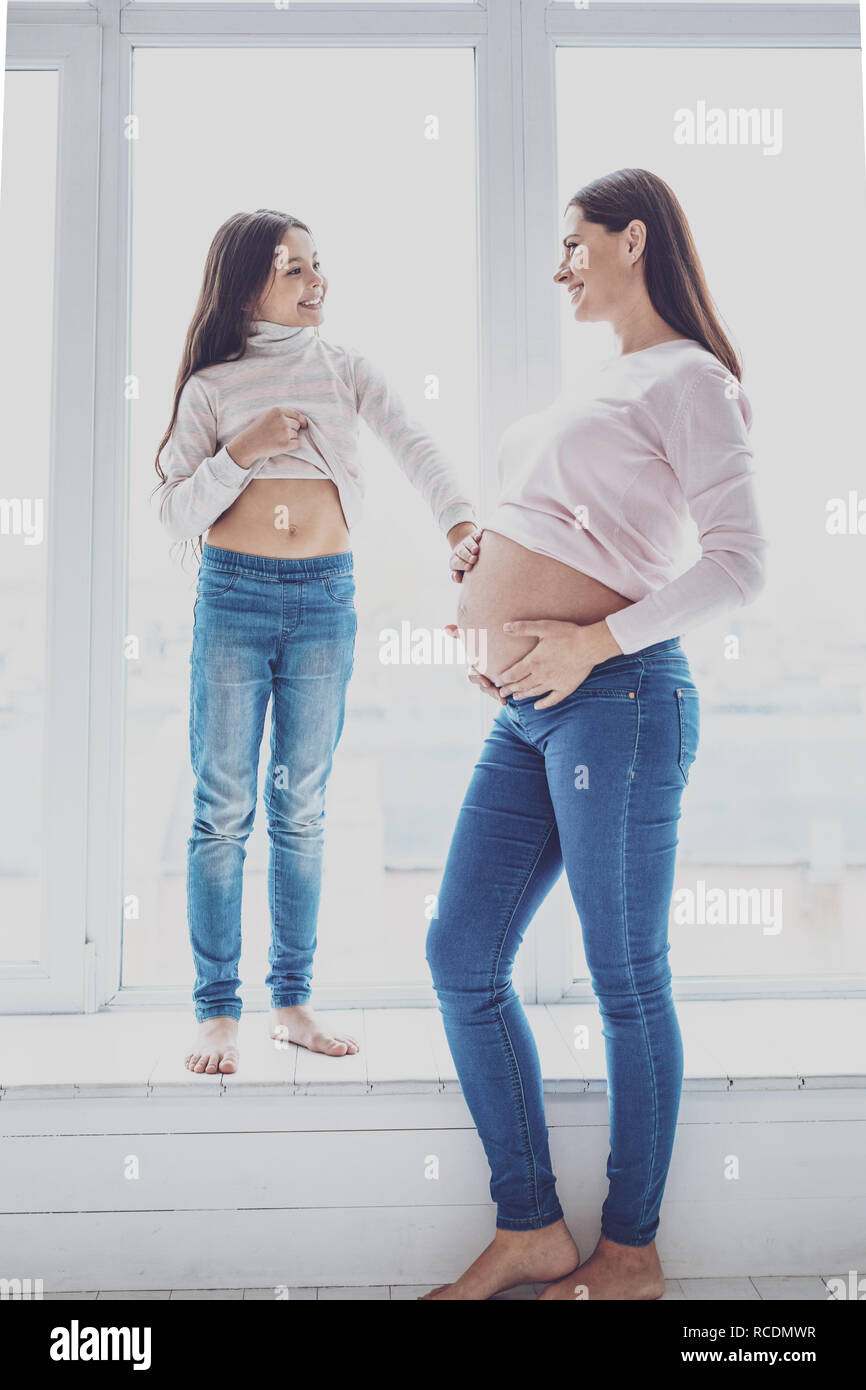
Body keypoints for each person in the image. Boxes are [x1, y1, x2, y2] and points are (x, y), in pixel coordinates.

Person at [425, 168, 767, 1300]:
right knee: (460, 956)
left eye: (574, 242)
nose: (559, 263)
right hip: (528, 712)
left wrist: (583, 643)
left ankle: (628, 1253)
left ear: (632, 240)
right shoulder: (609, 386)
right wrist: (484, 578)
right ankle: (528, 1225)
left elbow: (736, 565)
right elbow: (564, 533)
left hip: (616, 704)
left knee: (625, 975)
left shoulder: (691, 380)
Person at [154, 209, 479, 1076]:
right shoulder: (213, 387)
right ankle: (218, 1011)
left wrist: (457, 521)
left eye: (316, 264)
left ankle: (290, 1002)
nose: (315, 281)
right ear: (248, 285)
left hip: (324, 601)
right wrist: (247, 451)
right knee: (223, 808)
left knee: (301, 808)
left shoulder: (345, 371)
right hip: (233, 599)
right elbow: (172, 509)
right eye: (292, 269)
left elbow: (412, 441)